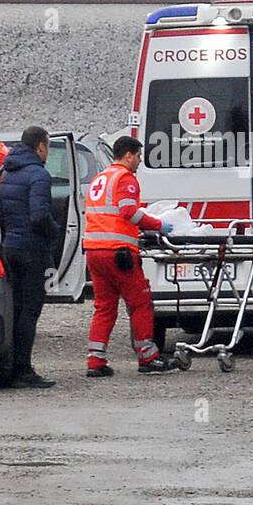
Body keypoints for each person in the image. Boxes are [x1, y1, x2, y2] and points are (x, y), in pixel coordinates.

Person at [82, 135, 178, 377]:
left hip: (94, 251)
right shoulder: (125, 178)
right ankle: (148, 356)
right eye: (138, 156)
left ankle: (95, 361)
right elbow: (128, 211)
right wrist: (157, 224)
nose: (139, 162)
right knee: (140, 301)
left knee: (104, 307)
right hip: (118, 252)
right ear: (128, 155)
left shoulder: (100, 178)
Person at [0, 125, 58, 389]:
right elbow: (40, 215)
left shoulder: (8, 174)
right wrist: (55, 232)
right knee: (30, 311)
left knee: (16, 309)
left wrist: (11, 235)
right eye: (48, 147)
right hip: (33, 251)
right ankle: (24, 369)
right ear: (41, 147)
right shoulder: (39, 176)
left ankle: (10, 366)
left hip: (11, 249)